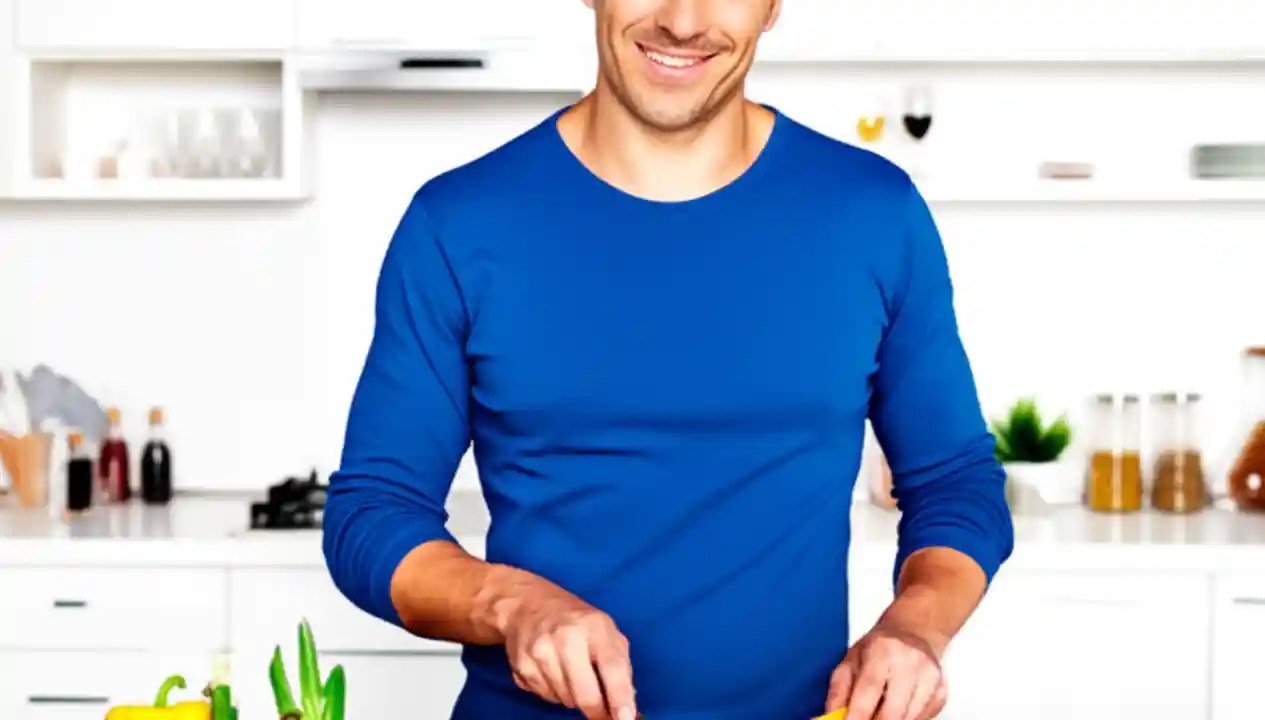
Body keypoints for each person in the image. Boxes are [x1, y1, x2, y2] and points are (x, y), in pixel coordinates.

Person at [322, 1, 1015, 719]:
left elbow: (955, 482)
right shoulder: (458, 223)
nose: (683, 21)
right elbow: (373, 512)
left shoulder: (874, 214)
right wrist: (512, 602)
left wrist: (914, 629)